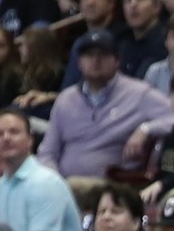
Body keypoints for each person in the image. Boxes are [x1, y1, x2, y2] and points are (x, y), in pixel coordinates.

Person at [38, 28, 174, 180]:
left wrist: (146, 129)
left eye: (103, 55)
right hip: (64, 185)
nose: (95, 61)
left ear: (117, 60)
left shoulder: (139, 93)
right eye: (89, 55)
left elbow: (171, 118)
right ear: (79, 63)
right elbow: (47, 152)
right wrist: (53, 181)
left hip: (113, 187)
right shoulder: (65, 99)